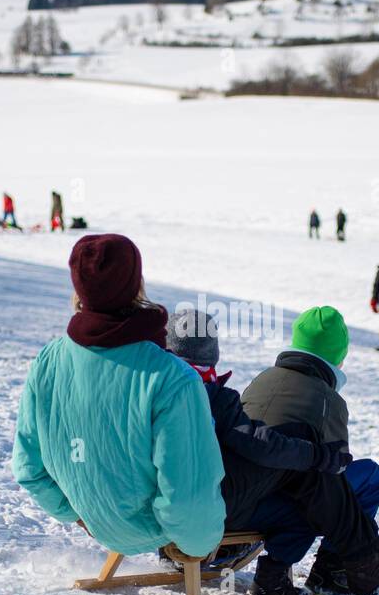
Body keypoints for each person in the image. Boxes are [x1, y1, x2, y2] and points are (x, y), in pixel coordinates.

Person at [12, 234, 225, 561]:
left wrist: (76, 513)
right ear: (136, 284)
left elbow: (28, 466)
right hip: (155, 528)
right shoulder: (172, 377)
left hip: (94, 519)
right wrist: (200, 546)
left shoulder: (48, 360)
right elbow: (187, 498)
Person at [236, 307, 379, 595]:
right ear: (338, 356)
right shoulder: (327, 399)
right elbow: (331, 477)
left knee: (305, 481)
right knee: (368, 478)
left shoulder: (263, 380)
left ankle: (328, 567)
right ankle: (335, 570)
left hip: (228, 498)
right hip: (261, 507)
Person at [162, 308, 351, 572]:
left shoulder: (145, 388)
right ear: (211, 352)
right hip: (198, 512)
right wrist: (316, 455)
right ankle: (271, 577)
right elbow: (259, 444)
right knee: (298, 511)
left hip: (149, 507)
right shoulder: (213, 398)